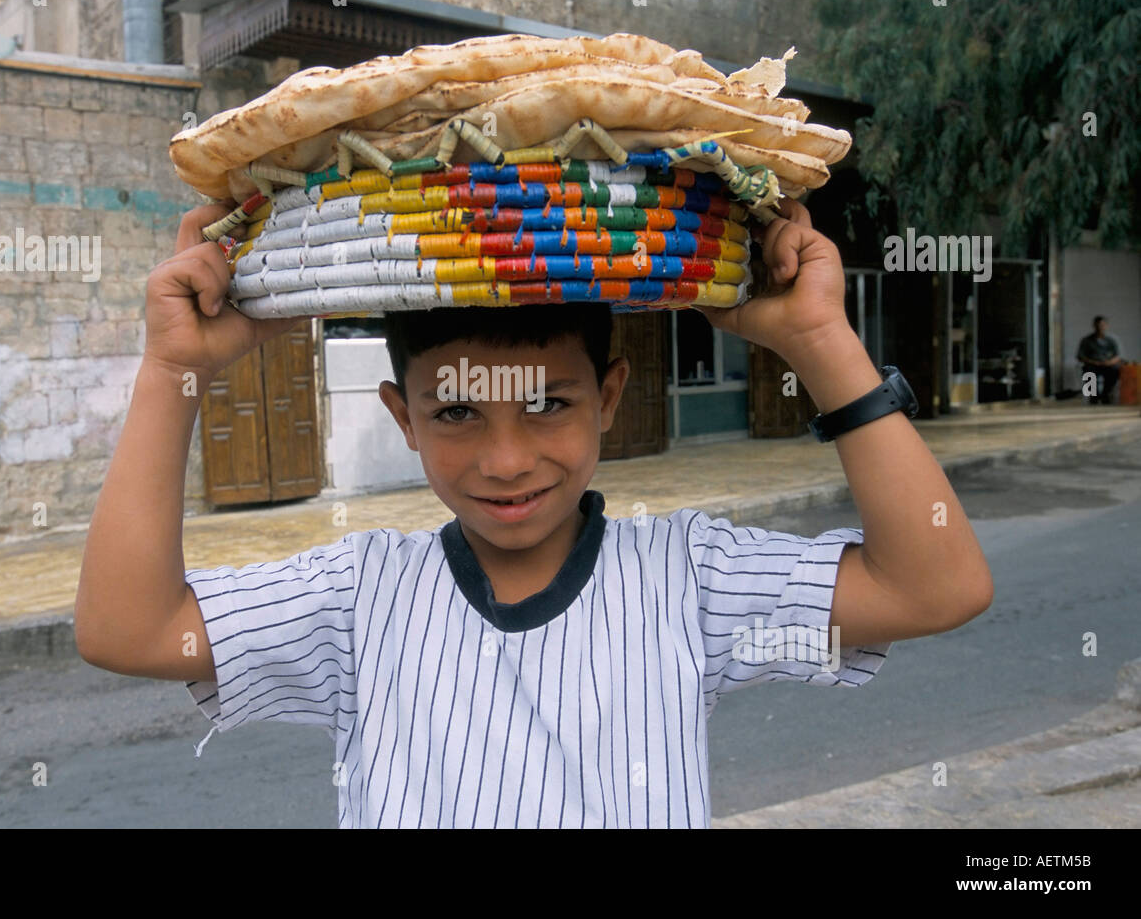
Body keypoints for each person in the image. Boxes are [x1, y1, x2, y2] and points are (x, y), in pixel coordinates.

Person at [73, 197, 993, 828]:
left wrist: (821, 339)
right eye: (459, 412)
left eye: (549, 404)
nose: (506, 460)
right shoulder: (357, 597)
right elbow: (127, 629)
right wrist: (172, 372)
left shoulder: (688, 581)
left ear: (612, 395)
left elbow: (935, 585)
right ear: (403, 417)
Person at [1077, 316, 1124, 405]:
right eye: (1098, 325)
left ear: (1106, 326)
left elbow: (1119, 355)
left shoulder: (1112, 340)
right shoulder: (1086, 340)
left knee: (1115, 370)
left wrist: (1109, 362)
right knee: (1088, 371)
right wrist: (1093, 362)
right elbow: (1080, 356)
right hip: (1092, 364)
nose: (1100, 327)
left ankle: (1105, 394)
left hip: (1108, 364)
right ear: (1094, 326)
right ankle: (1094, 396)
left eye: (1102, 325)